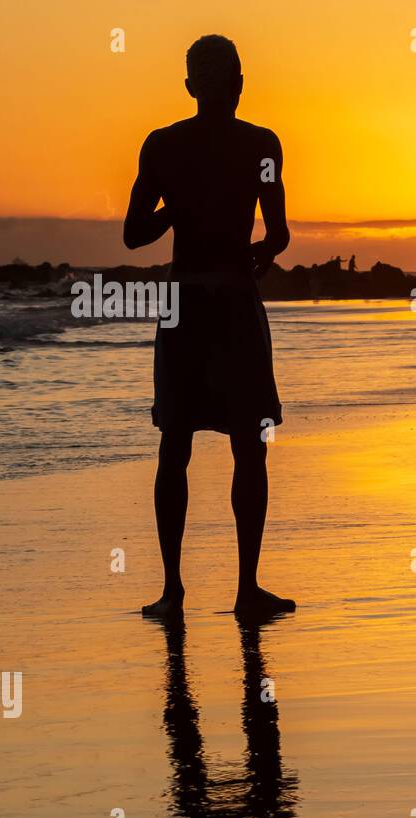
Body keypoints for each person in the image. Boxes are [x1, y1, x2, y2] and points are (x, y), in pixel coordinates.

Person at [124, 34, 294, 619]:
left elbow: (133, 233)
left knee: (176, 445)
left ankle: (173, 592)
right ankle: (247, 590)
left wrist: (179, 207)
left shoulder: (163, 145)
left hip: (185, 306)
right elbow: (278, 232)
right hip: (234, 304)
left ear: (191, 85)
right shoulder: (261, 145)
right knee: (250, 446)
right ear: (240, 84)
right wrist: (262, 253)